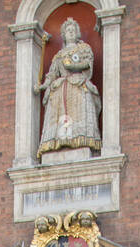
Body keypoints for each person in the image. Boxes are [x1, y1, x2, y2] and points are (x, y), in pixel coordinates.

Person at [37, 18, 101, 158]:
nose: (70, 33)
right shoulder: (59, 55)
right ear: (63, 35)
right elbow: (52, 73)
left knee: (81, 109)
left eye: (73, 30)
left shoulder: (84, 49)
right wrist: (44, 85)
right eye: (68, 31)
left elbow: (87, 65)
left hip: (78, 84)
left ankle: (79, 140)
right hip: (61, 88)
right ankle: (59, 141)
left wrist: (73, 67)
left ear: (77, 33)